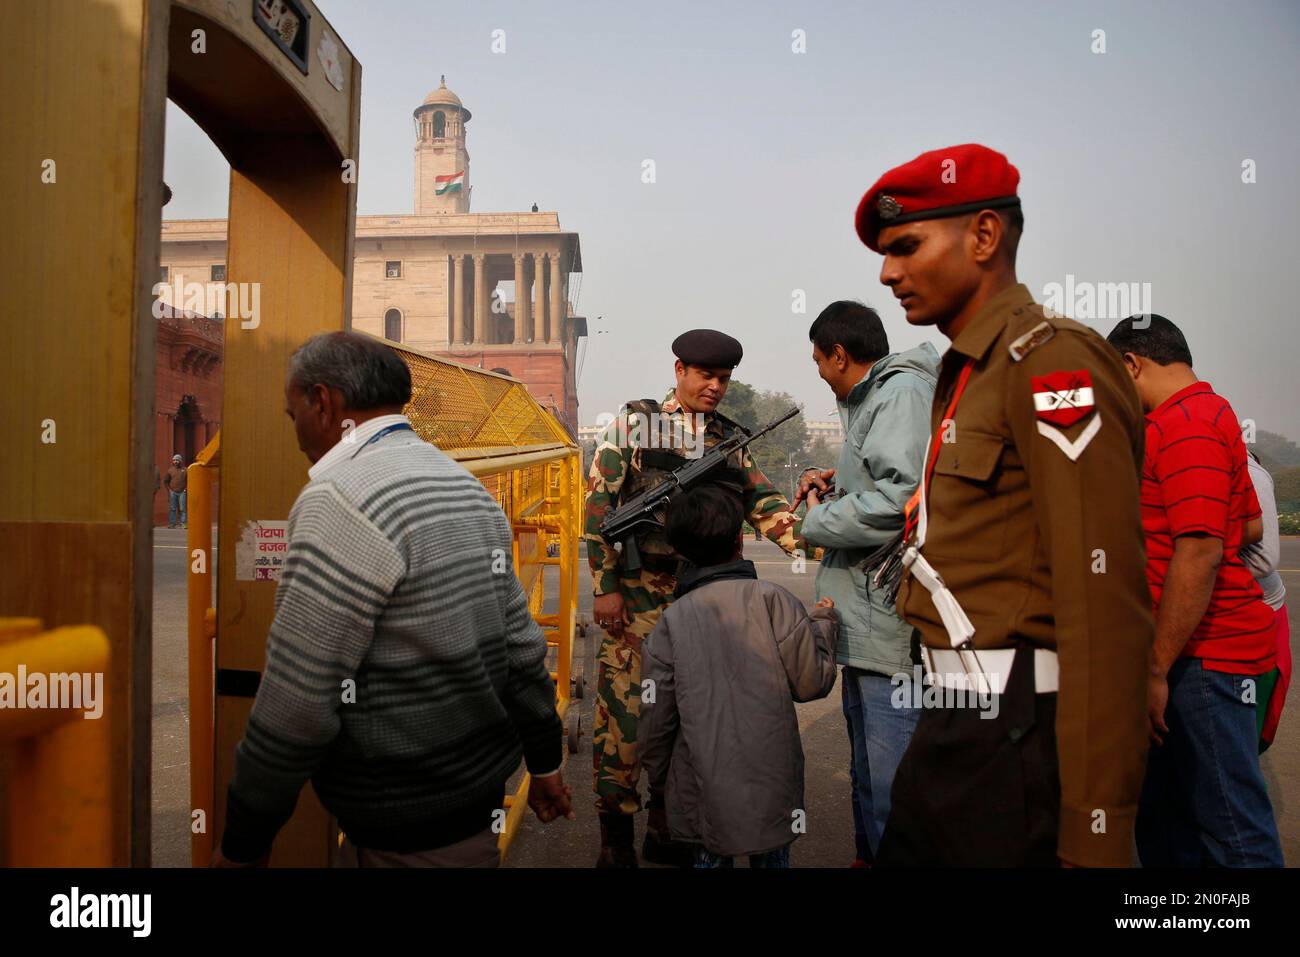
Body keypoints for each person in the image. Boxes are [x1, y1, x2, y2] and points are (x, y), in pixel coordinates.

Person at [854, 144, 1153, 867]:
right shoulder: (970, 372)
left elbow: (1103, 608)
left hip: (1018, 737)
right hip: (953, 723)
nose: (888, 272)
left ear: (984, 236)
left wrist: (1095, 833)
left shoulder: (1053, 366)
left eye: (906, 246)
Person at [214, 331, 573, 868]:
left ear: (323, 401)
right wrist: (545, 764)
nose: (297, 436)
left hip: (400, 824)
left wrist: (245, 840)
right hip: (472, 806)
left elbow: (299, 702)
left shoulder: (340, 500)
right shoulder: (466, 489)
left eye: (294, 417)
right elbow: (522, 653)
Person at [582, 328, 810, 867]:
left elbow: (767, 505)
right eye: (706, 375)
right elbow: (597, 510)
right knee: (626, 716)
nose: (715, 387)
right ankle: (615, 839)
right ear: (680, 369)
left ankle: (670, 826)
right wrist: (606, 589)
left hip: (706, 599)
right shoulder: (635, 424)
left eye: (725, 379)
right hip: (638, 600)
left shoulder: (728, 439)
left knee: (693, 720)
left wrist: (823, 542)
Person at [1105, 315, 1283, 867]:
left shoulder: (1187, 424)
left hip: (1201, 659)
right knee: (1169, 817)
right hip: (1184, 654)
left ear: (1132, 364)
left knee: (1230, 828)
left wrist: (1156, 669)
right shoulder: (1211, 413)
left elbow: (1203, 551)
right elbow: (1248, 525)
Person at [793, 300, 938, 865]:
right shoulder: (875, 398)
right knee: (867, 776)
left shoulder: (898, 395)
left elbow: (901, 499)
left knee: (891, 787)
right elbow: (882, 483)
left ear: (839, 354)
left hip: (888, 628)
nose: (819, 371)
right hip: (867, 623)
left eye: (819, 360)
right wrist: (840, 484)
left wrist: (815, 521)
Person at [639, 481, 838, 868]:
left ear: (678, 551)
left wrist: (661, 778)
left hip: (701, 786)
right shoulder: (775, 601)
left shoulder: (669, 623)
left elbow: (654, 716)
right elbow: (812, 683)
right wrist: (823, 623)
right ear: (739, 541)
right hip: (773, 787)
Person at [1243, 451, 1291, 752]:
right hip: (1212, 615)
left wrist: (1188, 560)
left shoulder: (1250, 472)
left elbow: (1263, 559)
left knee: (1240, 744)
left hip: (1258, 618)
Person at [164, 453, 188, 528]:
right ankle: (172, 523)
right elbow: (166, 481)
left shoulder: (185, 470)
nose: (175, 461)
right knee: (173, 508)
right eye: (174, 460)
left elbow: (189, 481)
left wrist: (185, 489)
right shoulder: (170, 470)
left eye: (177, 460)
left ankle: (183, 523)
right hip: (173, 492)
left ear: (180, 461)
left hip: (182, 492)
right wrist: (169, 490)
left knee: (182, 508)